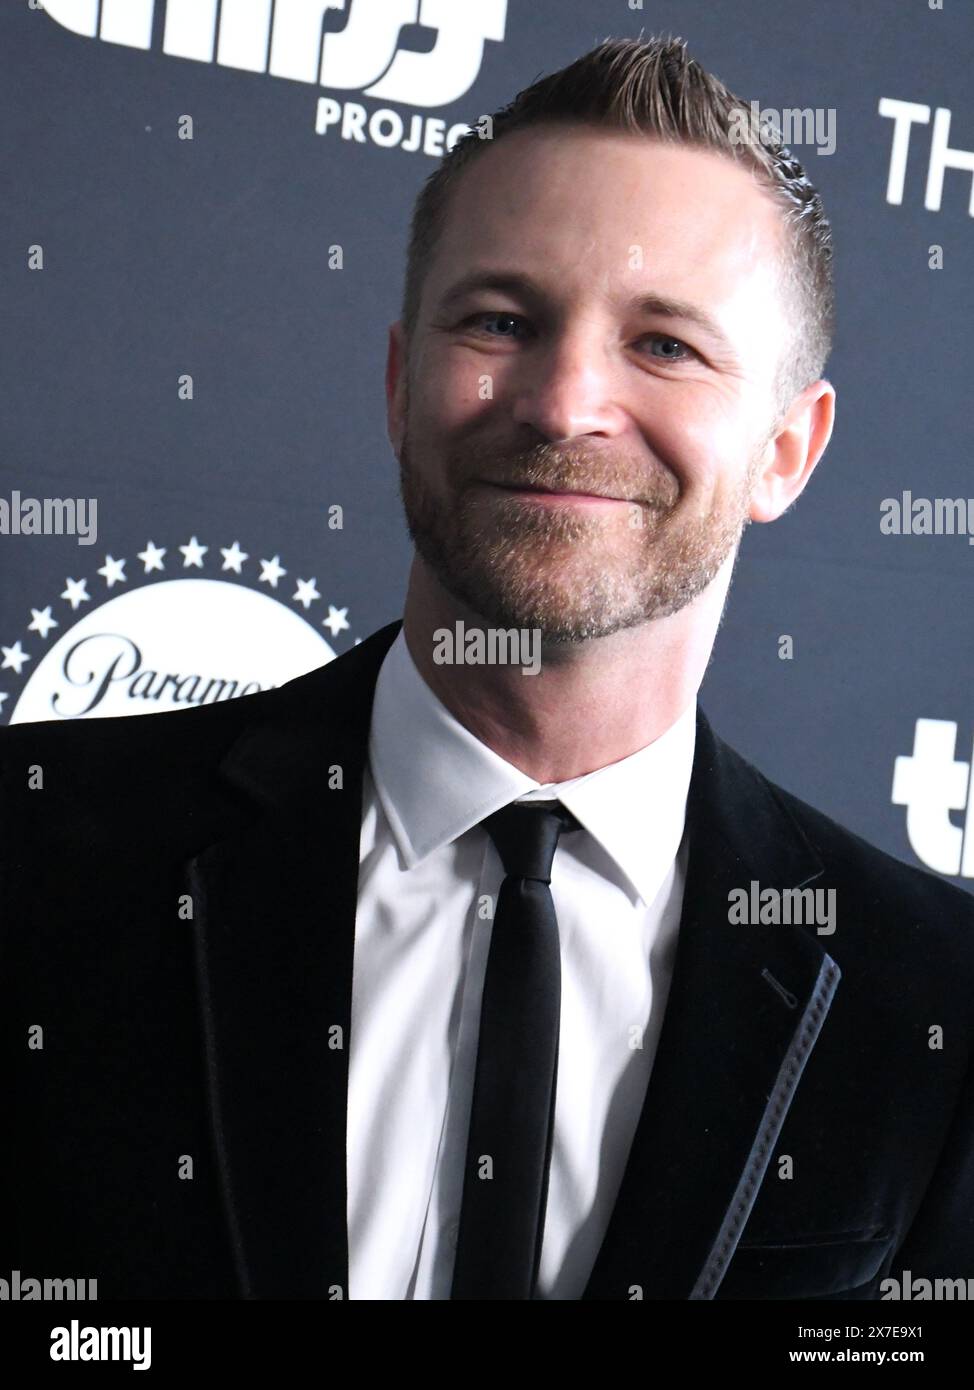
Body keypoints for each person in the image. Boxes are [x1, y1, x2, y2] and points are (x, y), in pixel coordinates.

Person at [2, 35, 973, 1303]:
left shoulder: (930, 999)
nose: (564, 402)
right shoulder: (36, 846)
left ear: (787, 445)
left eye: (665, 345)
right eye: (502, 320)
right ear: (403, 383)